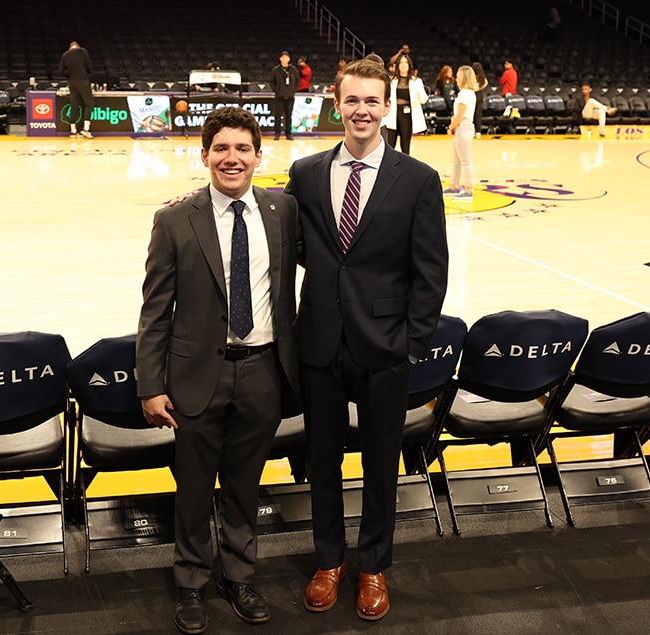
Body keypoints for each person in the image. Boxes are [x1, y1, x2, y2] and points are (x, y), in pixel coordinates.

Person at [285, 57, 449, 623]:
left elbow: (431, 270)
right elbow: (287, 241)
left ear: (386, 106)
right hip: (320, 342)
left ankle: (374, 565)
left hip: (386, 347)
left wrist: (412, 344)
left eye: (371, 101)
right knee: (323, 460)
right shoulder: (306, 172)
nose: (361, 110)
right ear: (337, 105)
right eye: (351, 100)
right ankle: (328, 561)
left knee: (381, 462)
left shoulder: (418, 178)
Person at [137, 106, 299, 635]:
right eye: (222, 149)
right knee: (192, 487)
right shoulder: (174, 219)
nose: (233, 159)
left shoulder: (282, 210)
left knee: (245, 484)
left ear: (259, 155)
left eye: (243, 148)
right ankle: (190, 581)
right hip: (195, 376)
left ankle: (239, 576)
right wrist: (150, 385)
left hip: (264, 371)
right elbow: (155, 310)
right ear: (204, 155)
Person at [383, 54, 428, 155]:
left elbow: (424, 99)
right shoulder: (391, 81)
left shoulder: (416, 81)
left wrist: (418, 94)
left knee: (405, 145)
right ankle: (389, 164)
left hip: (407, 116)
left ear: (409, 65)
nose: (403, 65)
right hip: (393, 114)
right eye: (401, 62)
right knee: (390, 144)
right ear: (397, 65)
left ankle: (405, 164)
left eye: (406, 62)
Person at [446, 65, 477, 198]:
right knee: (456, 160)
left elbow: (460, 115)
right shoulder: (468, 93)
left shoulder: (465, 94)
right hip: (462, 127)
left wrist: (451, 127)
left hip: (463, 126)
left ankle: (468, 190)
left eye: (458, 76)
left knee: (465, 160)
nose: (456, 78)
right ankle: (453, 186)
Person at [58, 41, 95, 138]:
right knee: (89, 104)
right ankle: (85, 129)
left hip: (72, 82)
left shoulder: (65, 55)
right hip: (83, 80)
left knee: (74, 105)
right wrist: (85, 73)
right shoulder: (83, 51)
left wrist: (69, 76)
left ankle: (73, 131)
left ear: (70, 48)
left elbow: (60, 71)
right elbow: (90, 67)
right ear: (78, 47)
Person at [269, 51, 297, 140]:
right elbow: (272, 82)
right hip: (279, 97)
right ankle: (277, 133)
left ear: (289, 59)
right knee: (278, 116)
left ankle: (288, 133)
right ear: (280, 59)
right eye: (283, 57)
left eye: (286, 57)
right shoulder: (276, 70)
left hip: (290, 97)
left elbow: (297, 81)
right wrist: (277, 91)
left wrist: (293, 91)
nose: (284, 59)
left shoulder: (293, 70)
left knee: (289, 116)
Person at [470, 62, 488, 138]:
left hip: (472, 94)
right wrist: (479, 88)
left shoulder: (471, 76)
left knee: (471, 113)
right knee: (478, 113)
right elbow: (486, 83)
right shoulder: (482, 76)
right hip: (480, 94)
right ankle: (478, 131)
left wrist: (474, 89)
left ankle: (471, 131)